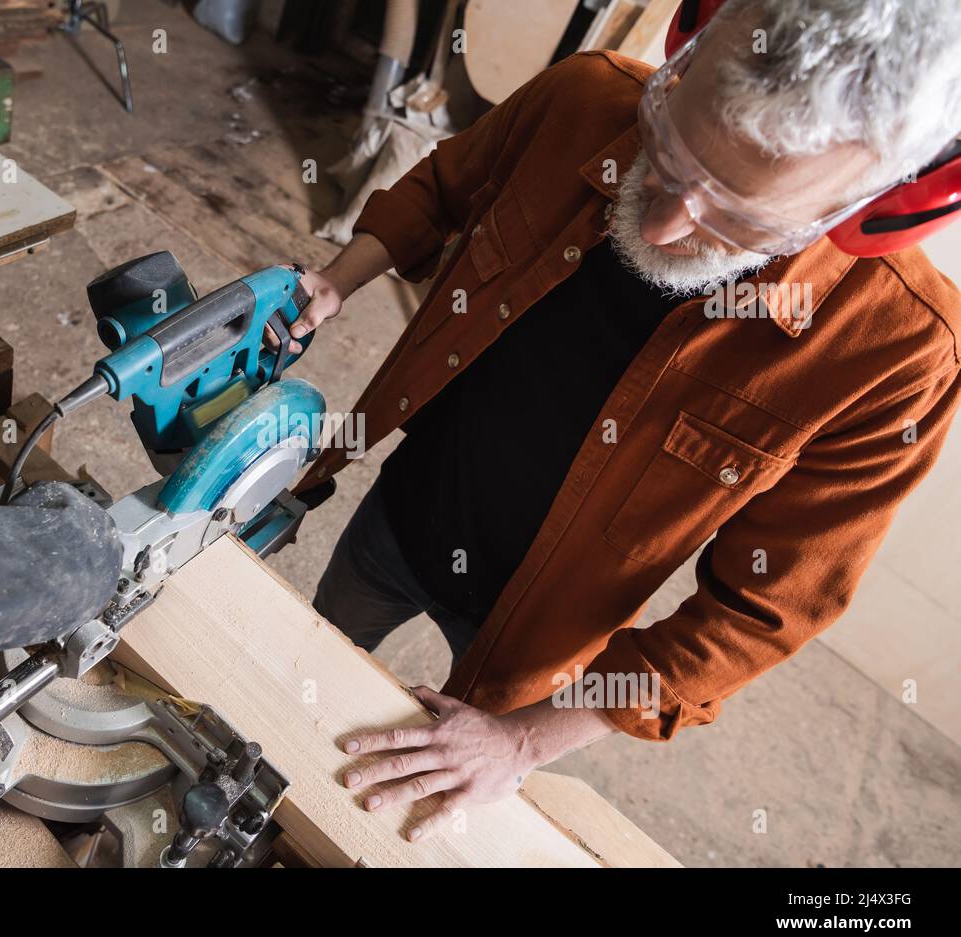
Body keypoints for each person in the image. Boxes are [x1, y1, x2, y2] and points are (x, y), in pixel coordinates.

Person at [286, 0, 961, 841]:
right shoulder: (582, 100)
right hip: (402, 518)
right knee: (287, 693)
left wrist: (522, 738)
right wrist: (336, 281)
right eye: (668, 153)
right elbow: (439, 188)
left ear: (879, 208)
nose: (662, 222)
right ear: (688, 39)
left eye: (739, 219)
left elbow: (761, 614)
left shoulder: (897, 354)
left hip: (537, 642)